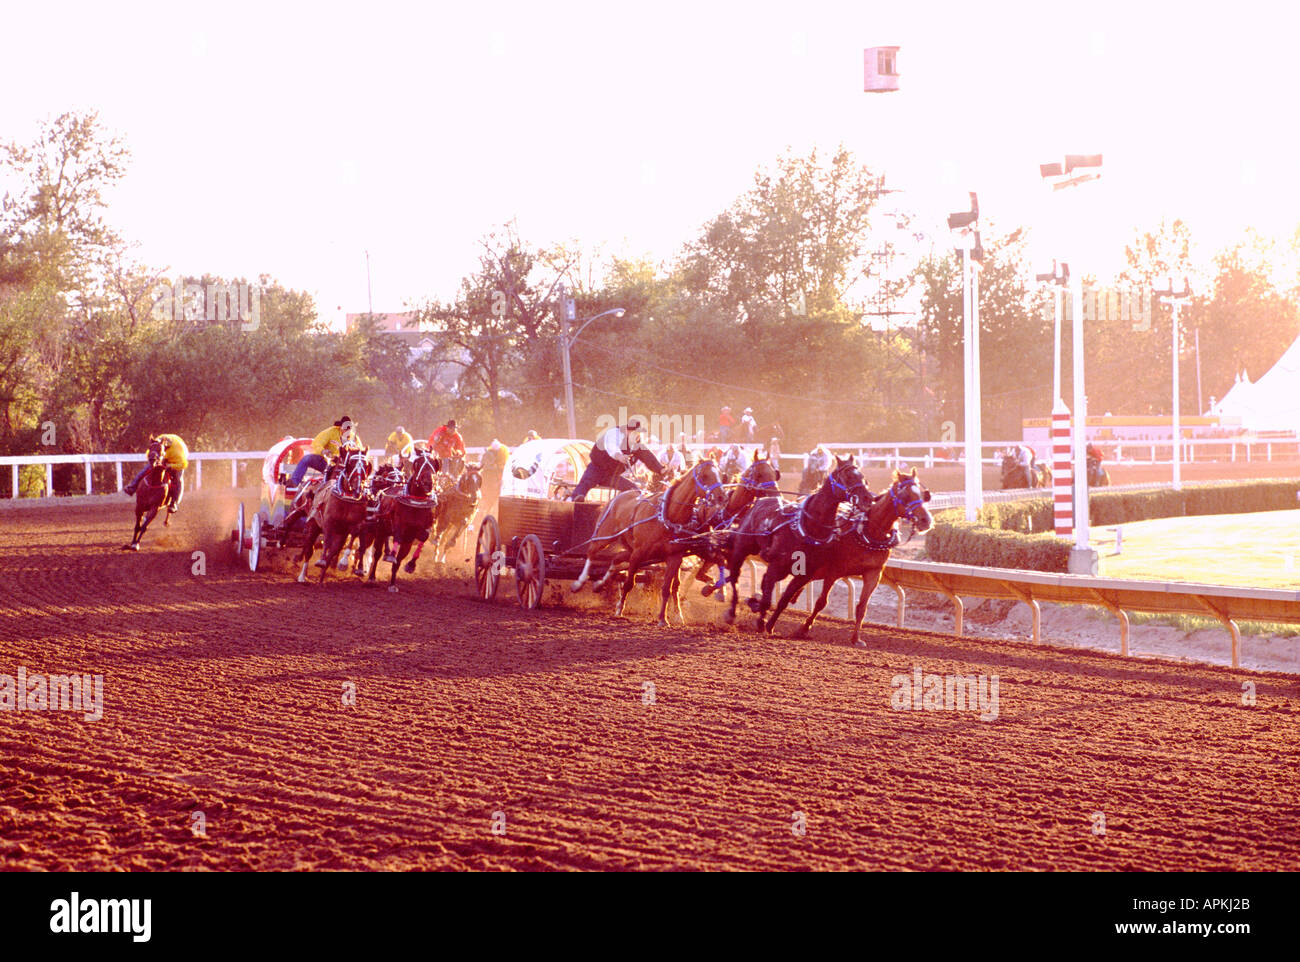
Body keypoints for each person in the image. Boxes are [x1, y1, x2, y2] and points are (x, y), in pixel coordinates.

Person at [568, 417, 666, 501]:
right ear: (628, 430)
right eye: (635, 432)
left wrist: (661, 469)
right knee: (585, 484)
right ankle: (576, 501)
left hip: (611, 475)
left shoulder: (636, 444)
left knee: (633, 489)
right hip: (596, 468)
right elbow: (612, 447)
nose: (637, 435)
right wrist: (620, 456)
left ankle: (625, 508)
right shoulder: (614, 433)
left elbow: (648, 457)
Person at [124, 433, 189, 513]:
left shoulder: (177, 452)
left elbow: (183, 464)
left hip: (176, 461)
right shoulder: (155, 445)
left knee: (178, 479)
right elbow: (149, 456)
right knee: (145, 469)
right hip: (160, 458)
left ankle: (174, 503)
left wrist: (170, 466)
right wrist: (155, 462)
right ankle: (132, 487)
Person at [289, 416, 358, 487]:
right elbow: (317, 443)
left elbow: (360, 451)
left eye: (349, 429)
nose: (347, 431)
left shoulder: (354, 438)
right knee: (307, 459)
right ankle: (295, 482)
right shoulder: (330, 432)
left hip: (347, 467)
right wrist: (323, 451)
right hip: (328, 464)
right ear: (340, 427)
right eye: (345, 428)